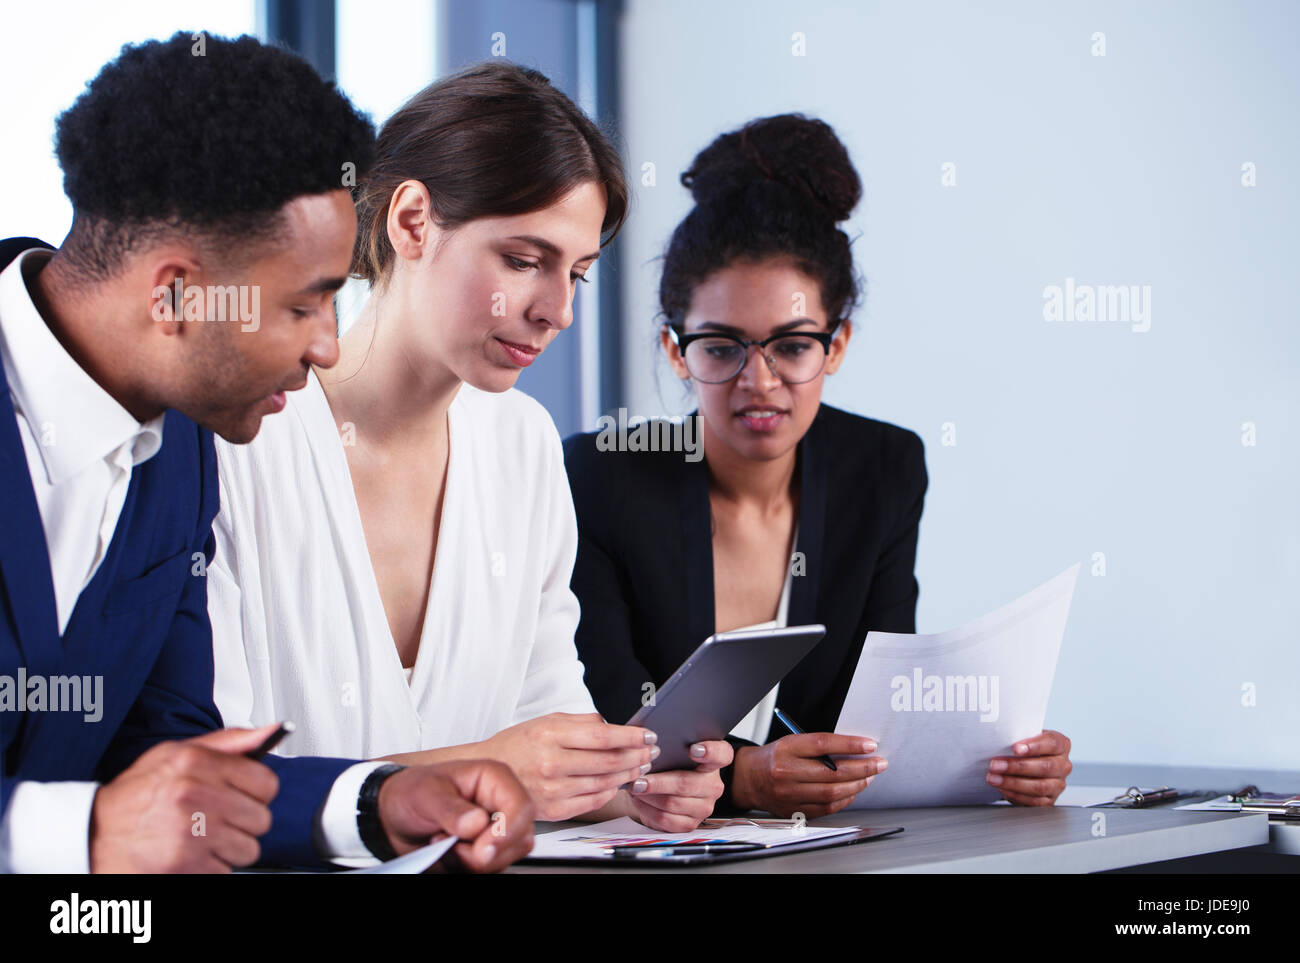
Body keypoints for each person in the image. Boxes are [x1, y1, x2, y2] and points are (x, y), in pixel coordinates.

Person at [0, 32, 534, 874]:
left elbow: (171, 751)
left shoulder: (183, 443)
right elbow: (112, 813)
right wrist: (82, 834)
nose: (328, 347)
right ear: (175, 294)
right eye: (304, 306)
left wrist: (375, 799)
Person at [208, 61, 731, 833]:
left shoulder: (522, 447)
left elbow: (548, 722)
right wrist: (482, 768)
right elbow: (212, 775)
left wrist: (629, 785)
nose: (556, 311)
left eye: (578, 275)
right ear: (412, 220)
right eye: (524, 261)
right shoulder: (239, 439)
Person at [564, 113, 1073, 818]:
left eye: (793, 346)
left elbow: (883, 714)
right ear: (676, 351)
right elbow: (606, 721)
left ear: (836, 346)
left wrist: (1002, 761)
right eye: (721, 347)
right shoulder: (601, 477)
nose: (760, 381)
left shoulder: (884, 469)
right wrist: (744, 780)